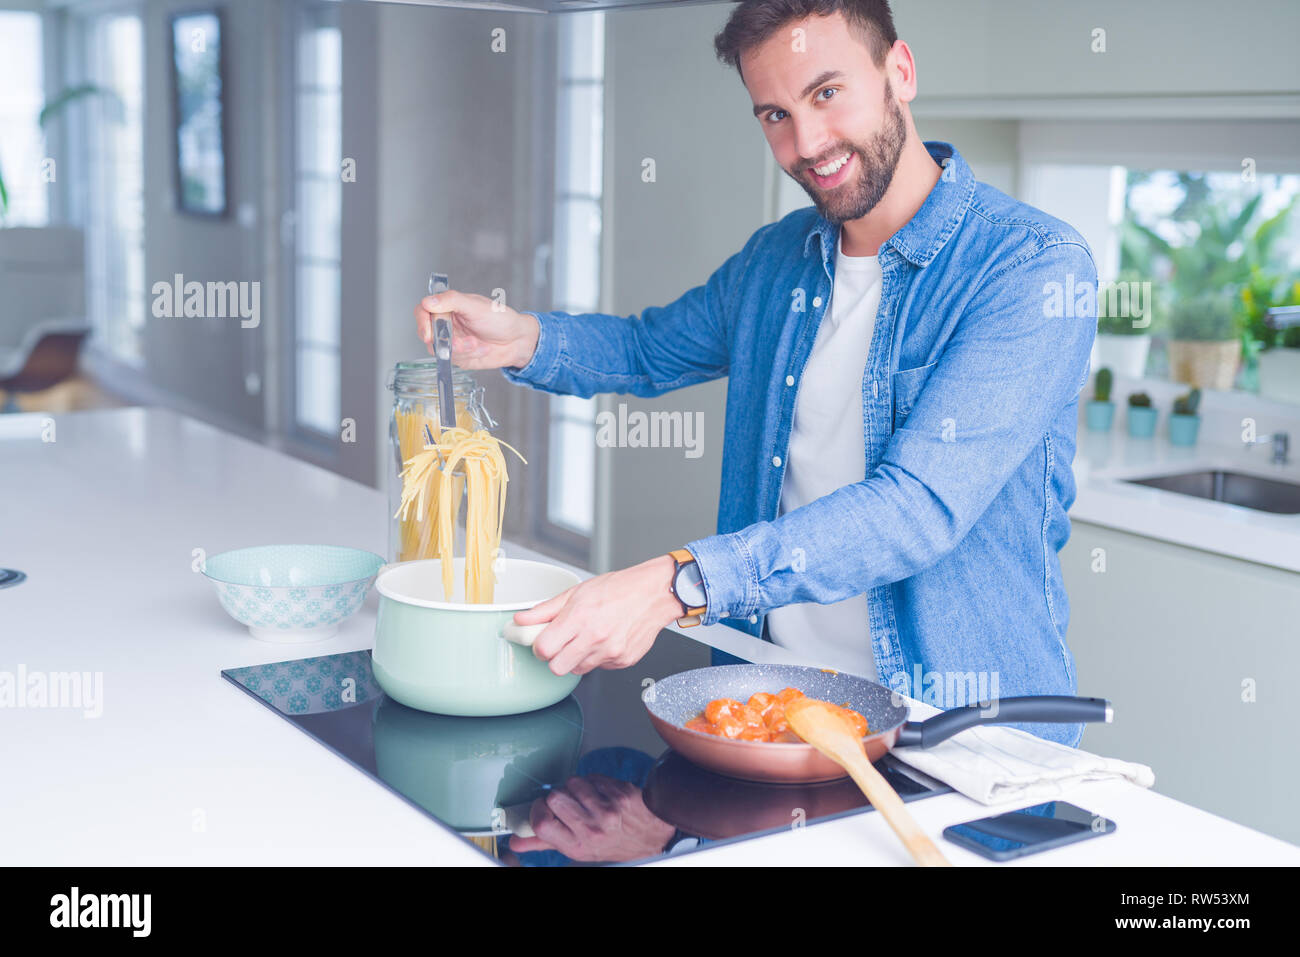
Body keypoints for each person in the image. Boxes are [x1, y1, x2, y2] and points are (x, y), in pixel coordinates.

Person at [413, 0, 1098, 746]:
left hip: (961, 742)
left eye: (826, 93)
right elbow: (646, 349)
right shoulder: (780, 258)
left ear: (898, 72)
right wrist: (519, 338)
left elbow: (917, 507)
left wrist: (677, 583)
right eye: (774, 114)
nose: (807, 143)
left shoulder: (1028, 268)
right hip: (776, 717)